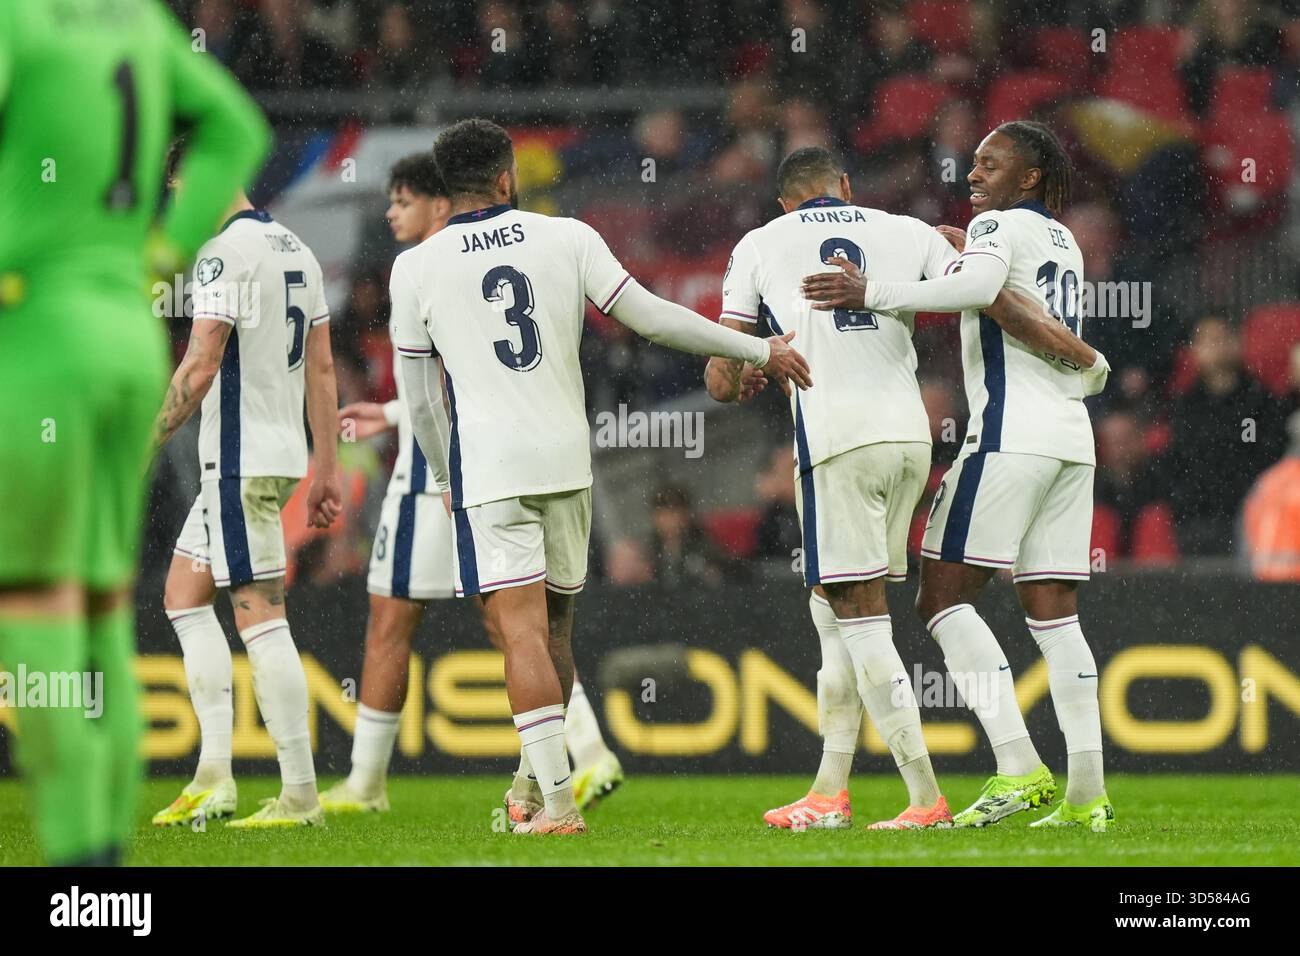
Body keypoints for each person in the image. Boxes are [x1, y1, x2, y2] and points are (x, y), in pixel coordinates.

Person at [394, 118, 810, 834]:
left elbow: (421, 397)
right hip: (565, 458)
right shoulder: (568, 237)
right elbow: (652, 318)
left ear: (446, 188)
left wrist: (441, 471)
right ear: (506, 178)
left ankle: (557, 806)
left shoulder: (417, 267)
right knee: (555, 631)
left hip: (490, 466)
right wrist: (755, 347)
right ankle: (531, 786)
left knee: (519, 635)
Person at [0, 0, 270, 864]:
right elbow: (236, 124)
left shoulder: (18, 21)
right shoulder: (141, 23)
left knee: (35, 608)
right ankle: (107, 864)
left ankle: (79, 864)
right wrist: (163, 250)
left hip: (41, 333)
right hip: (125, 333)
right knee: (101, 612)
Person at [803, 121, 1116, 831]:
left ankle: (1018, 767)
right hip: (1072, 438)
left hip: (1010, 436)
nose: (973, 174)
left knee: (940, 597)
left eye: (990, 163)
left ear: (1028, 177)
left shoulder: (996, 225)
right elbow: (1008, 301)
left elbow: (979, 288)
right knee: (1055, 614)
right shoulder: (1062, 239)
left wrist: (870, 290)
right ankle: (1087, 793)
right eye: (973, 162)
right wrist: (960, 257)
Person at [317, 153, 626, 815]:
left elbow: (450, 394)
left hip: (454, 473)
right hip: (511, 463)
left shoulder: (430, 269)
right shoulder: (495, 259)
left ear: (439, 203)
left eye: (403, 202)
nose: (392, 214)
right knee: (520, 626)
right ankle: (585, 755)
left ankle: (368, 783)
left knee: (411, 617)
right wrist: (395, 411)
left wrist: (418, 439)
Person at [707, 146, 969, 830]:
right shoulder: (907, 229)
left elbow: (721, 378)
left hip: (836, 444)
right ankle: (829, 788)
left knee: (858, 613)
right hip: (911, 438)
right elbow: (977, 289)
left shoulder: (760, 243)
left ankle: (925, 798)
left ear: (785, 203)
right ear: (846, 187)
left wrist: (749, 367)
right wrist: (963, 244)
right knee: (833, 607)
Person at [151, 173, 340, 829]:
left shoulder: (221, 254)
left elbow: (201, 362)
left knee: (259, 617)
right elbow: (321, 367)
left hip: (239, 462)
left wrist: (147, 439)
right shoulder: (296, 247)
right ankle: (213, 777)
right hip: (275, 456)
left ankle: (300, 795)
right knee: (183, 595)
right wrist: (325, 467)